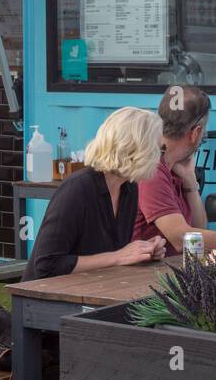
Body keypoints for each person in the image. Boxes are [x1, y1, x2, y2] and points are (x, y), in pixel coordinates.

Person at [23, 107, 168, 281]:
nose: (160, 158)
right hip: (46, 298)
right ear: (138, 150)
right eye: (158, 150)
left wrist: (142, 252)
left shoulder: (128, 188)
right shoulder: (77, 188)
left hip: (95, 288)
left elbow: (108, 253)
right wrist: (119, 257)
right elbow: (47, 265)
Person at [132, 85, 216, 252]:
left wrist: (191, 185)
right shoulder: (152, 171)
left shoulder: (175, 166)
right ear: (196, 132)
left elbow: (199, 228)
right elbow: (182, 239)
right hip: (146, 276)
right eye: (204, 130)